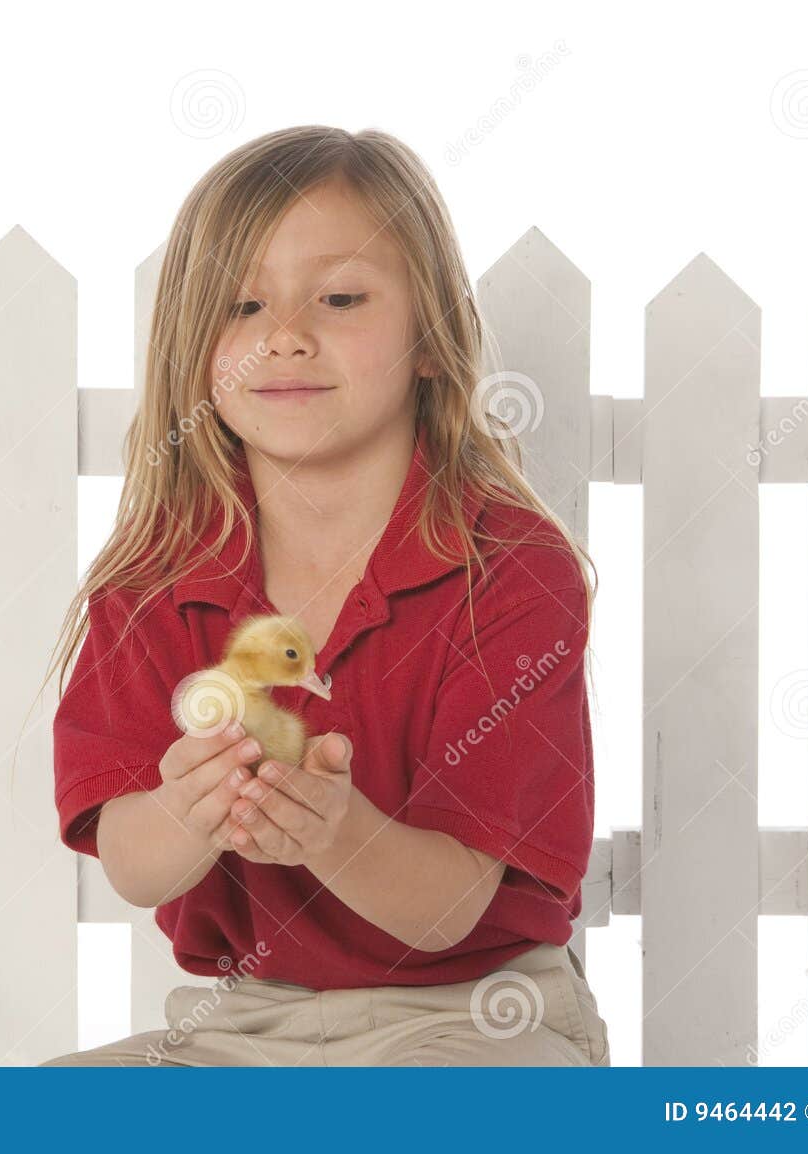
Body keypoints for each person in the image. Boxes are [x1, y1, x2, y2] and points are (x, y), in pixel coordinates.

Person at [38, 125, 606, 1066]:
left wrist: (334, 830)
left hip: (475, 1022)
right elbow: (135, 865)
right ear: (194, 350)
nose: (285, 334)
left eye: (340, 298)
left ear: (431, 339)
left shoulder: (509, 571)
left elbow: (449, 907)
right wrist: (192, 808)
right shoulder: (155, 581)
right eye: (242, 304)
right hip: (241, 1028)